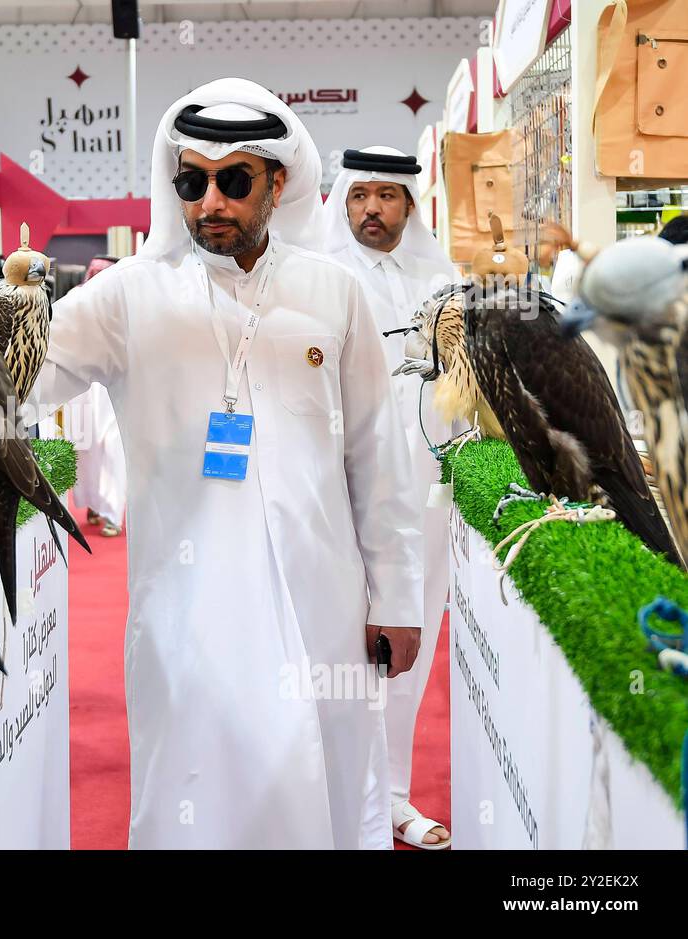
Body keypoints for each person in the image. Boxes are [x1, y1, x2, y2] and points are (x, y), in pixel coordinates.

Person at [27, 78, 423, 849]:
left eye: (233, 181)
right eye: (191, 181)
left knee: (320, 777)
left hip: (321, 597)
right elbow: (20, 377)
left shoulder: (332, 293)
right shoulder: (127, 298)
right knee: (195, 785)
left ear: (278, 182)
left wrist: (398, 594)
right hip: (186, 605)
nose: (210, 200)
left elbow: (377, 454)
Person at [319, 146, 458, 850]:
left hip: (427, 493)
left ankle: (396, 795)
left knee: (410, 640)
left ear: (409, 203)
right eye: (359, 195)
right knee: (341, 648)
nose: (372, 208)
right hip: (341, 491)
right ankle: (340, 797)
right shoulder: (316, 278)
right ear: (342, 203)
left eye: (387, 195)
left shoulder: (442, 279)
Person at [68, 257, 127, 536]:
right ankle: (92, 504)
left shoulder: (125, 305)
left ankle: (113, 512)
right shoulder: (75, 299)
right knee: (84, 445)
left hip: (113, 387)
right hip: (82, 386)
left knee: (112, 446)